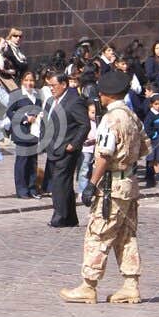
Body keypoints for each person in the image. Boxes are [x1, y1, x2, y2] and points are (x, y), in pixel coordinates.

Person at [61, 69, 148, 304]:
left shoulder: (110, 119)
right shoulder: (131, 116)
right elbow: (144, 146)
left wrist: (91, 184)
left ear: (107, 94)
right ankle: (131, 284)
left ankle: (88, 285)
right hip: (129, 182)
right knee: (126, 235)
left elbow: (104, 156)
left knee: (98, 233)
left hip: (112, 186)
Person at [41, 70, 89, 228]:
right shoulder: (50, 101)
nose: (51, 89)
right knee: (64, 183)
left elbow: (84, 125)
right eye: (49, 86)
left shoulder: (74, 101)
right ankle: (70, 217)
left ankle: (59, 217)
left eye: (54, 85)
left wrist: (74, 144)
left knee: (59, 182)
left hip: (66, 149)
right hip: (52, 148)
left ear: (63, 84)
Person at [5, 70, 42, 198]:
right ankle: (21, 190)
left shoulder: (37, 96)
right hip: (22, 132)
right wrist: (25, 119)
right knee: (22, 162)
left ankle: (32, 188)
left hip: (34, 132)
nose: (29, 83)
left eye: (31, 80)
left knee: (33, 162)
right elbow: (10, 112)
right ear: (22, 81)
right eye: (26, 80)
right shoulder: (16, 95)